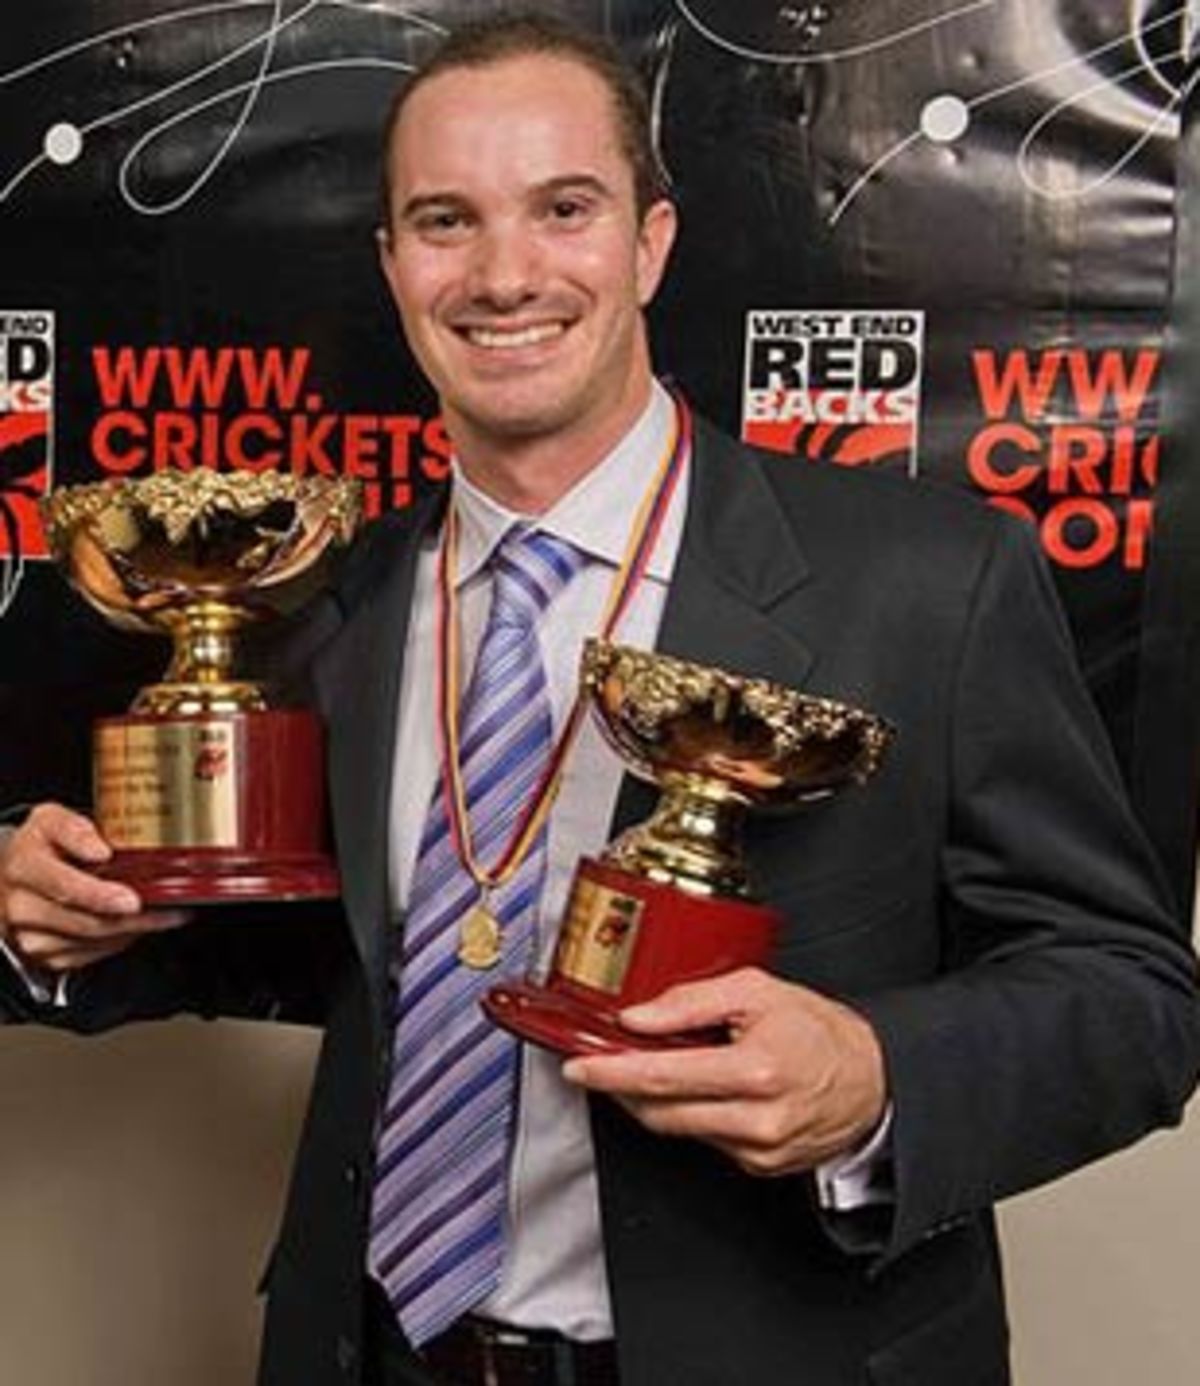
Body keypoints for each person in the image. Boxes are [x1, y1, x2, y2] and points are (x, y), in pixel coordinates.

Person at [1, 13, 1197, 1386]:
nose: (505, 275)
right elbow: (282, 941)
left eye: (563, 208)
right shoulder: (329, 598)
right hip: (371, 1350)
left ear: (652, 241)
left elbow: (1134, 996)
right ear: (393, 266)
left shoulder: (929, 584)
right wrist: (57, 918)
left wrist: (875, 1075)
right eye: (445, 221)